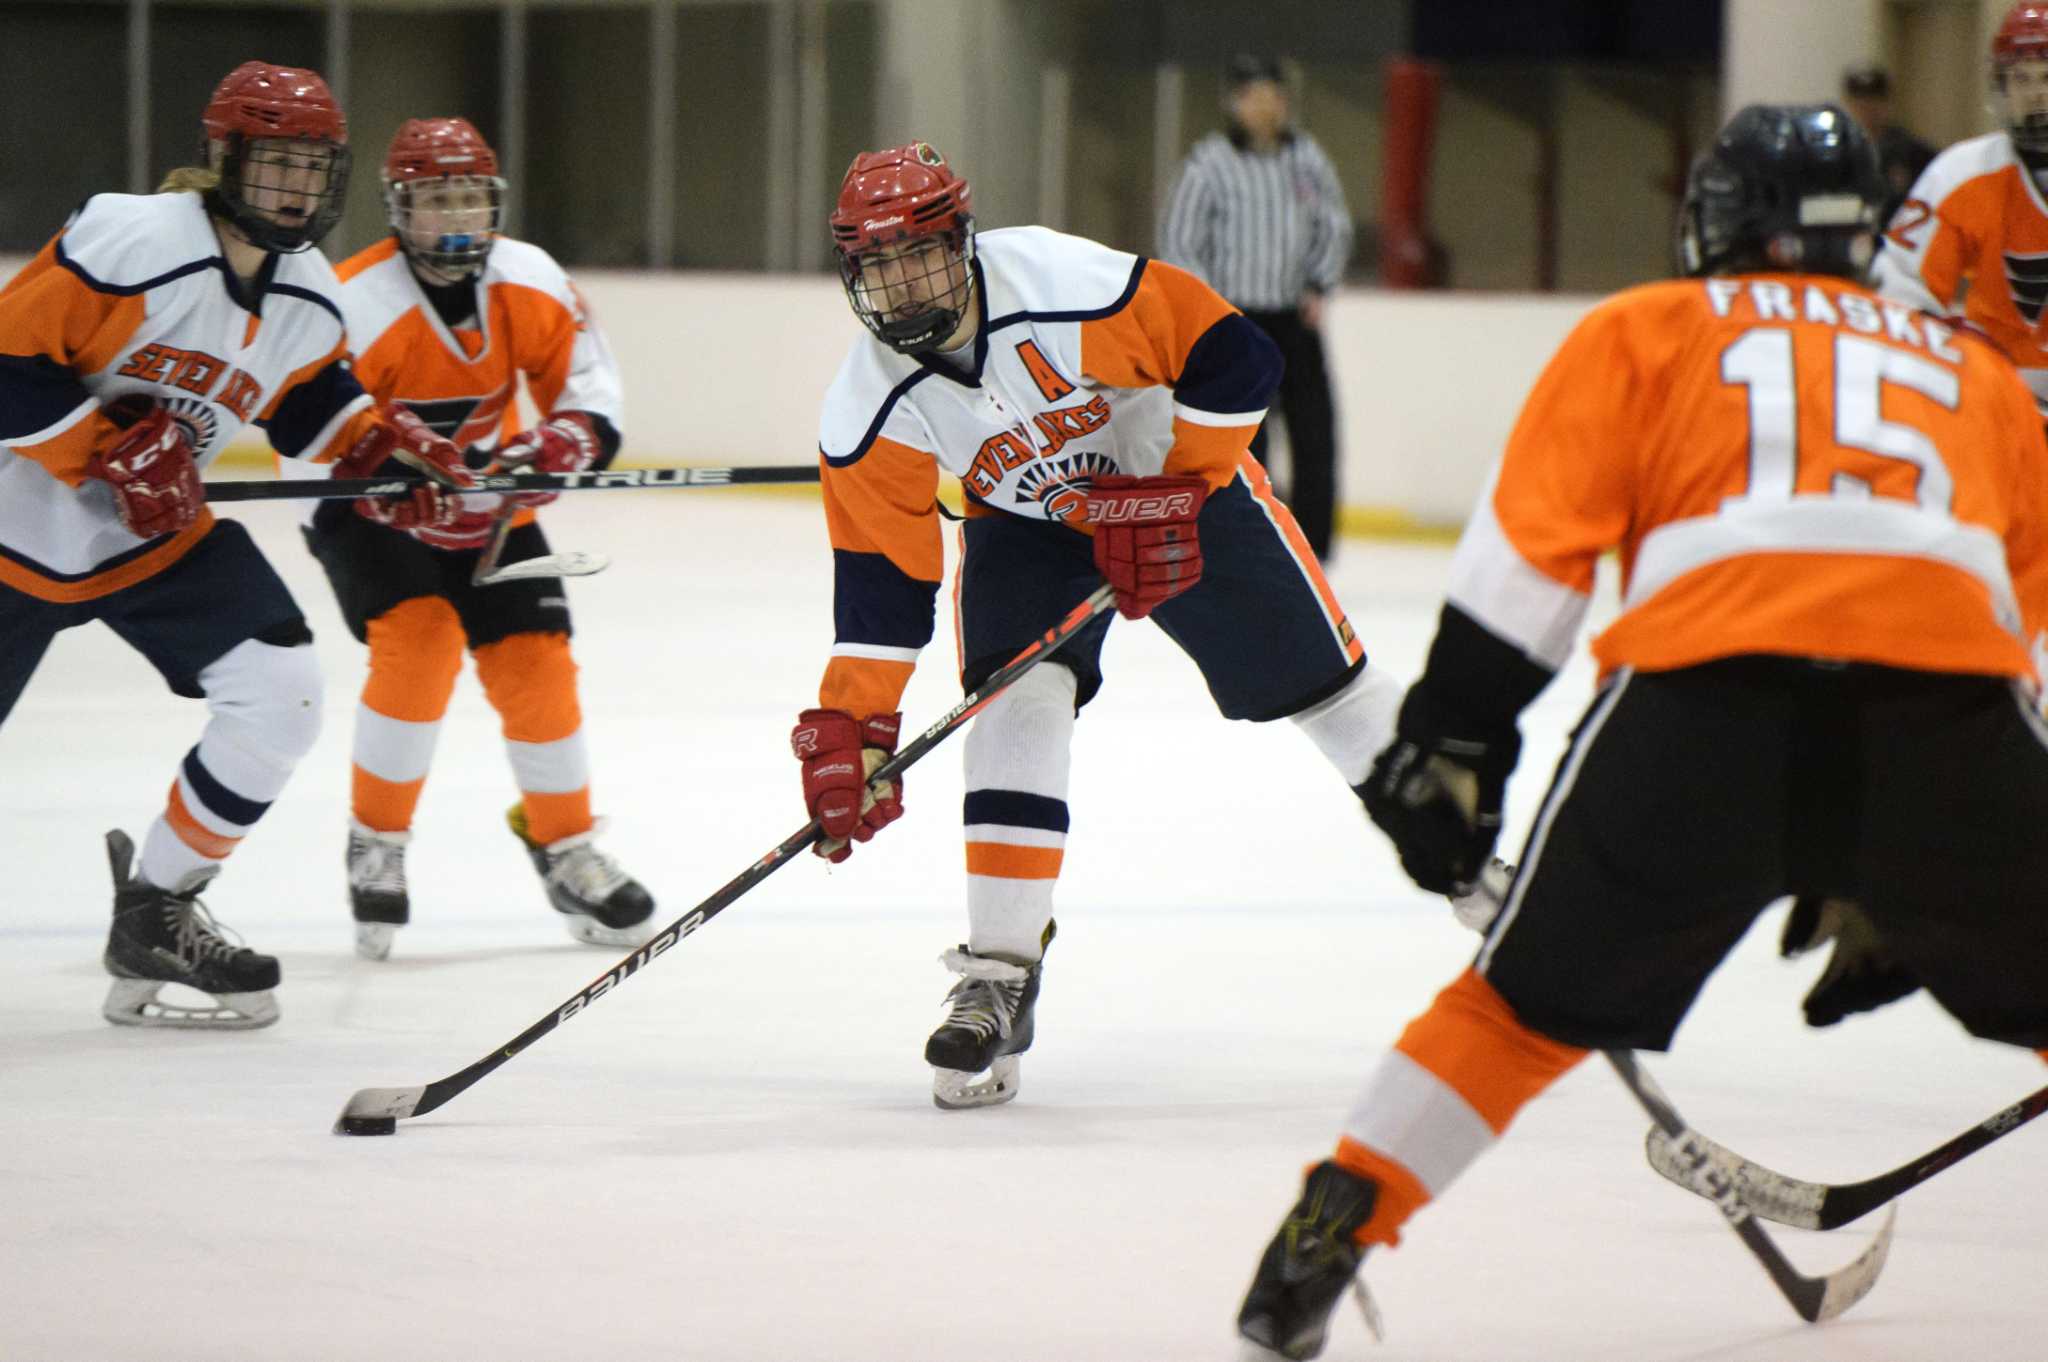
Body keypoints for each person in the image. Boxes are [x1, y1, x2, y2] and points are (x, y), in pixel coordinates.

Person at [1235, 103, 2048, 1359]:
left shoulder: (1645, 327)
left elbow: (1526, 568)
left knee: (1513, 1013)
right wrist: (1941, 854)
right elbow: (2027, 628)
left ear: (1713, 220)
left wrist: (1453, 744)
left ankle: (1331, 1226)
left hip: (1702, 706)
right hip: (1940, 713)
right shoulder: (1976, 378)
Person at [792, 142, 1407, 1111]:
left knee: (1328, 695)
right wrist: (852, 728)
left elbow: (1238, 356)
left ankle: (1474, 873)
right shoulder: (866, 405)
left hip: (1175, 482)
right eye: (875, 265)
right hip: (1029, 528)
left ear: (962, 242)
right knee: (1011, 702)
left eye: (916, 255)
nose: (899, 284)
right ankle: (997, 972)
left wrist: (1179, 488)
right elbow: (879, 593)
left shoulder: (1062, 282)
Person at [0, 62, 474, 1029]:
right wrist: (101, 455)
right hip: (12, 523)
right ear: (225, 158)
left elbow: (305, 397)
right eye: (277, 164)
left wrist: (386, 454)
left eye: (314, 168)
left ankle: (158, 909)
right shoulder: (129, 240)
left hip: (151, 540)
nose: (297, 188)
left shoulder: (308, 291)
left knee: (280, 690)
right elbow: (7, 365)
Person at [294, 116, 653, 960]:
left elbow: (591, 386)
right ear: (398, 209)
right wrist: (382, 483)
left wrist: (564, 442)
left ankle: (565, 845)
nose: (454, 220)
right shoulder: (357, 299)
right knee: (418, 645)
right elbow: (304, 429)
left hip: (490, 498)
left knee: (536, 657)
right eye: (434, 202)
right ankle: (376, 838)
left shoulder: (527, 278)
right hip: (373, 506)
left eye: (467, 199)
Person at [1160, 53, 1352, 562]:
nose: (1266, 107)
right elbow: (1180, 239)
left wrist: (1319, 283)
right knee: (1244, 437)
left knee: (1315, 434)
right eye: (1255, 96)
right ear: (1235, 103)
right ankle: (1253, 535)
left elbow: (1333, 224)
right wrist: (1208, 309)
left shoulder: (1306, 159)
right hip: (1236, 322)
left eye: (1274, 95)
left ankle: (1313, 545)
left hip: (1294, 317)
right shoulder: (1209, 164)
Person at [1875, 2, 2048, 414]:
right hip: (1995, 401)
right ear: (2002, 88)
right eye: (2020, 79)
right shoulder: (1962, 174)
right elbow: (1900, 289)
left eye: (2046, 77)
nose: (2035, 94)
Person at [1840, 63, 1936, 223]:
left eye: (1874, 102)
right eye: (1860, 103)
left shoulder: (1913, 152)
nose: (1867, 110)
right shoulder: (1839, 153)